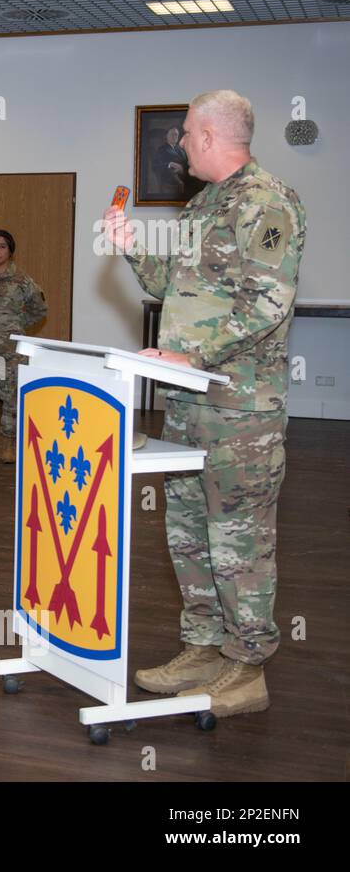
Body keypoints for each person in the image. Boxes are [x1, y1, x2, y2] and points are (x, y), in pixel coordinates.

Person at [103, 89, 304, 717]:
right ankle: (203, 647)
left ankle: (246, 667)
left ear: (213, 135)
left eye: (187, 133)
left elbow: (268, 305)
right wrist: (131, 243)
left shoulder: (269, 203)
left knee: (239, 539)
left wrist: (196, 355)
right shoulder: (200, 207)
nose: (182, 143)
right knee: (189, 533)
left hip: (239, 410)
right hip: (188, 406)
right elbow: (172, 286)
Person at [0, 229, 47, 463]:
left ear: (10, 251)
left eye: (2, 246)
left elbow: (39, 309)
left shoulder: (22, 280)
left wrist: (16, 325)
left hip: (12, 351)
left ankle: (10, 445)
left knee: (12, 397)